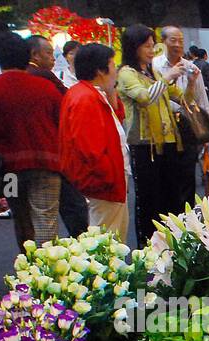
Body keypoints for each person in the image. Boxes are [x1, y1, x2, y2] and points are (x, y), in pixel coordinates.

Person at [0, 31, 64, 249]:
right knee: (46, 218)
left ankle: (27, 267)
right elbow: (62, 119)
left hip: (8, 169)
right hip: (46, 164)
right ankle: (50, 271)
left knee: (21, 217)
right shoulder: (46, 87)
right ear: (27, 55)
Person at [117, 24, 190, 246]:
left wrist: (191, 78)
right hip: (145, 145)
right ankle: (148, 246)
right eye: (147, 46)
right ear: (134, 47)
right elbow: (145, 97)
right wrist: (167, 77)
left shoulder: (153, 72)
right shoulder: (127, 73)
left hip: (168, 142)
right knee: (150, 199)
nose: (151, 51)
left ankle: (171, 245)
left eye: (152, 46)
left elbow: (178, 97)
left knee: (171, 196)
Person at [60, 43, 130, 241]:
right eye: (112, 64)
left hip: (108, 181)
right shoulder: (86, 98)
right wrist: (109, 178)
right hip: (105, 184)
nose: (116, 69)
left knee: (110, 237)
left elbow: (117, 118)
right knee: (107, 241)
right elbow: (91, 150)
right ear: (101, 70)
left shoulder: (88, 93)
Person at [26, 34, 89, 237]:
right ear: (34, 55)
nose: (53, 58)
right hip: (53, 154)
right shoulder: (45, 78)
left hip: (18, 163)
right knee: (67, 208)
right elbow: (67, 104)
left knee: (27, 214)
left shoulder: (20, 78)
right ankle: (79, 250)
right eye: (48, 53)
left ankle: (34, 261)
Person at [153, 26, 209, 210]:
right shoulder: (155, 67)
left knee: (187, 177)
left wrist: (205, 133)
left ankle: (186, 221)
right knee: (166, 178)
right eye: (173, 40)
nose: (178, 45)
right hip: (164, 129)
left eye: (181, 41)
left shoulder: (191, 68)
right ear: (163, 42)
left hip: (187, 127)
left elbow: (201, 100)